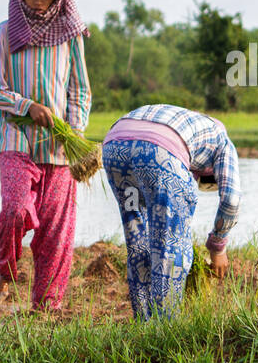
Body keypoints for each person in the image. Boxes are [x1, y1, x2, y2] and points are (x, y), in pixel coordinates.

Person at [0, 0, 92, 311]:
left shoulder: (70, 37)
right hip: (16, 139)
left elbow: (80, 90)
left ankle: (46, 308)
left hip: (59, 151)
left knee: (56, 234)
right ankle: (6, 270)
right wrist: (27, 107)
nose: (39, 1)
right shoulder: (3, 33)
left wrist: (72, 132)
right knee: (15, 209)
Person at [101, 104, 241, 320]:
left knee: (138, 241)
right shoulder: (223, 142)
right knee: (171, 248)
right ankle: (164, 327)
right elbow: (231, 199)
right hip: (158, 152)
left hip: (114, 148)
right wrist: (218, 247)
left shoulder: (193, 125)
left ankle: (143, 323)